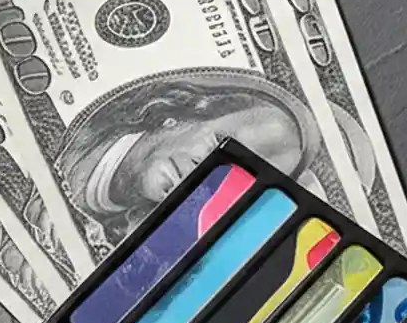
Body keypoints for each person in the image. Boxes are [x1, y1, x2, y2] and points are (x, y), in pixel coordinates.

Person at [55, 70, 323, 249]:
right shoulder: (67, 147)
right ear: (177, 115)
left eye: (239, 178)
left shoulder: (130, 242)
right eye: (222, 144)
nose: (212, 173)